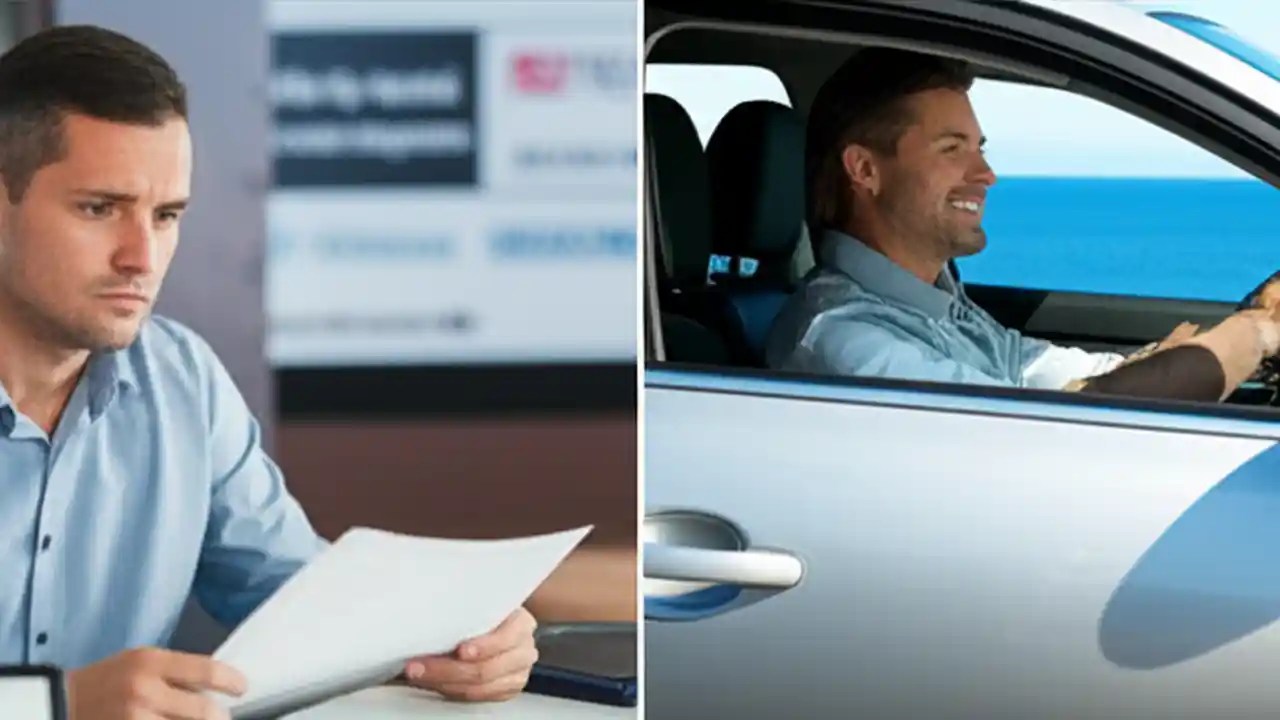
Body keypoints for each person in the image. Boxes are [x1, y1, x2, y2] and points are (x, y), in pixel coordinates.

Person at [0, 25, 540, 719]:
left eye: (166, 216)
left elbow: (305, 602)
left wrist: (461, 635)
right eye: (100, 209)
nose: (143, 256)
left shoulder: (182, 381)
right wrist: (55, 704)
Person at [766, 47, 1280, 401]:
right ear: (865, 169)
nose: (985, 175)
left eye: (978, 149)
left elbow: (1055, 374)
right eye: (952, 150)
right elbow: (1051, 426)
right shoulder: (844, 341)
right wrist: (1252, 335)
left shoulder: (938, 305)